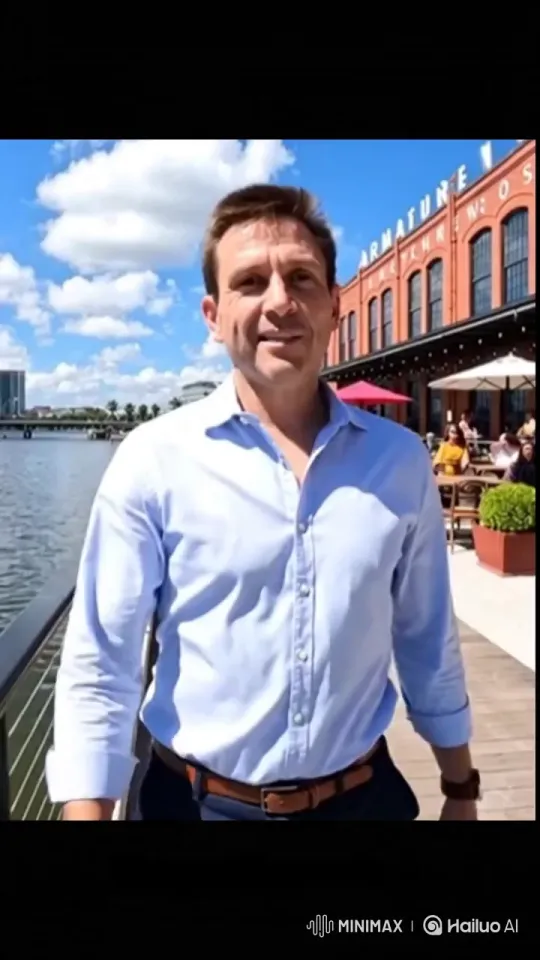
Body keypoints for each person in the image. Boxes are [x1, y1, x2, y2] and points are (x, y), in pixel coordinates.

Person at [46, 184, 479, 822]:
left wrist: (460, 788)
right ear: (213, 315)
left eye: (302, 277)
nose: (280, 301)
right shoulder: (153, 458)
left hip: (361, 799)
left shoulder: (399, 461)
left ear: (334, 306)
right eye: (250, 281)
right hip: (190, 806)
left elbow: (426, 636)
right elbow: (102, 660)